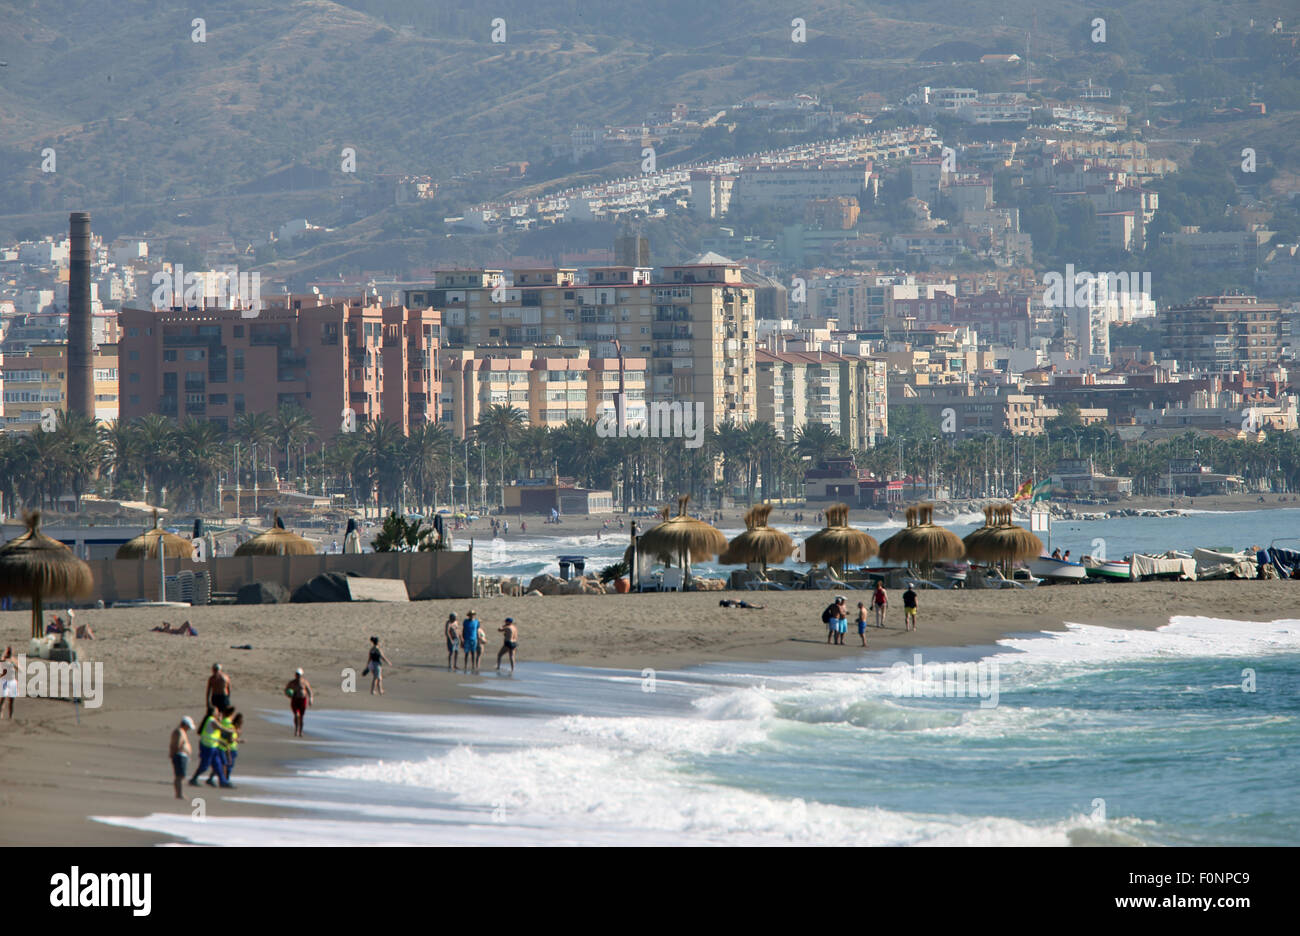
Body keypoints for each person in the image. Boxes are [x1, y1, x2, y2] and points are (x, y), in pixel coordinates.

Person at [189, 706, 223, 786]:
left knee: (217, 764)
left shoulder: (213, 720)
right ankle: (194, 778)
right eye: (217, 711)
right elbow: (220, 728)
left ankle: (221, 780)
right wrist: (230, 730)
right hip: (208, 745)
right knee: (205, 765)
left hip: (213, 745)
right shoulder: (211, 720)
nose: (218, 713)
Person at [169, 716, 194, 799]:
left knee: (181, 776)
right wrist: (175, 753)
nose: (189, 729)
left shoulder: (181, 731)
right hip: (180, 755)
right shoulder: (179, 732)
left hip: (181, 755)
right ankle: (179, 794)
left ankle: (179, 793)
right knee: (180, 776)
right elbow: (177, 744)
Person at [285, 669, 312, 737]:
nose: (298, 676)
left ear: (301, 675)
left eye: (299, 675)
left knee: (301, 717)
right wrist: (288, 694)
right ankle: (296, 730)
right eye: (297, 674)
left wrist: (310, 699)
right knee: (297, 715)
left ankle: (300, 731)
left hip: (303, 700)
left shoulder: (304, 682)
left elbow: (309, 691)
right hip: (295, 699)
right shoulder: (292, 682)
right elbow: (286, 689)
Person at [1, 647, 21, 719]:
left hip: (12, 681)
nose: (8, 653)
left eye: (9, 652)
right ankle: (1, 713)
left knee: (11, 700)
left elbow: (20, 670)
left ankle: (10, 716)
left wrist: (13, 664)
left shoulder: (13, 660)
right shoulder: (3, 659)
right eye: (8, 652)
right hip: (5, 681)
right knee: (3, 698)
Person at [223, 713, 244, 779]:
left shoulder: (235, 729)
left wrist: (238, 733)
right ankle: (226, 778)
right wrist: (239, 740)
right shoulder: (231, 728)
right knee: (229, 764)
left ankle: (226, 778)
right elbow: (230, 740)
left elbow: (235, 738)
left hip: (233, 748)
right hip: (230, 748)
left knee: (229, 764)